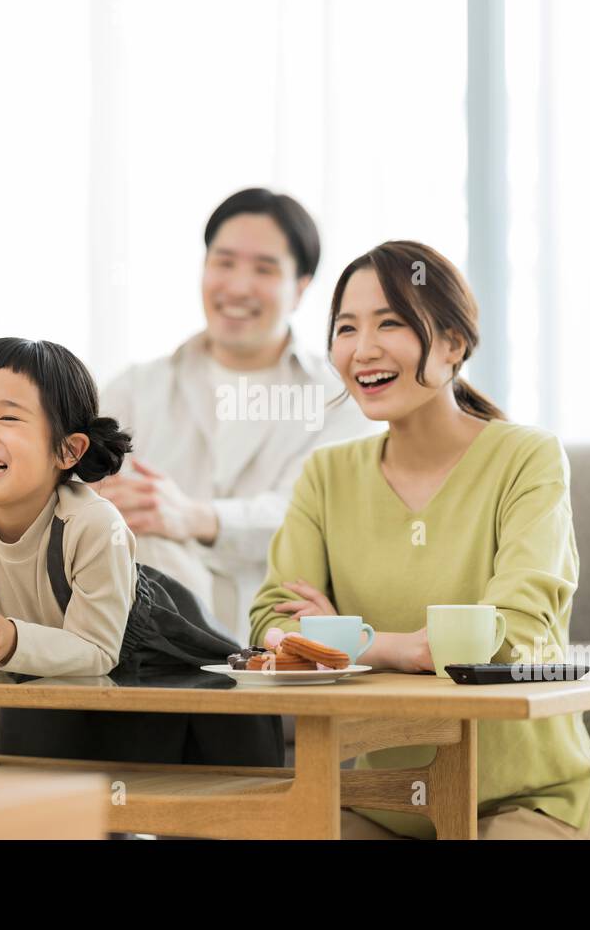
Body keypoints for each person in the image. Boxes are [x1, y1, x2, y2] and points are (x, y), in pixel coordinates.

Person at [246, 240, 590, 839]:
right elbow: (271, 624)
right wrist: (398, 649)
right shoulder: (327, 474)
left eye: (390, 322)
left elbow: (512, 635)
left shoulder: (528, 458)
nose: (363, 349)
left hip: (526, 799)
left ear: (453, 343)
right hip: (379, 802)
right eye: (346, 328)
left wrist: (343, 636)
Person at [0, 337, 282, 769]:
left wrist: (9, 638)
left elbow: (97, 650)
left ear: (68, 450)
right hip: (58, 676)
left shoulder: (92, 523)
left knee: (201, 815)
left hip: (167, 670)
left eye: (9, 418)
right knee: (28, 802)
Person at [96, 188, 381, 645]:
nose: (238, 286)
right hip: (134, 614)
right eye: (224, 262)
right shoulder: (134, 389)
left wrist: (198, 518)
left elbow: (313, 516)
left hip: (269, 625)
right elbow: (85, 495)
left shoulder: (342, 399)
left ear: (300, 288)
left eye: (264, 269)